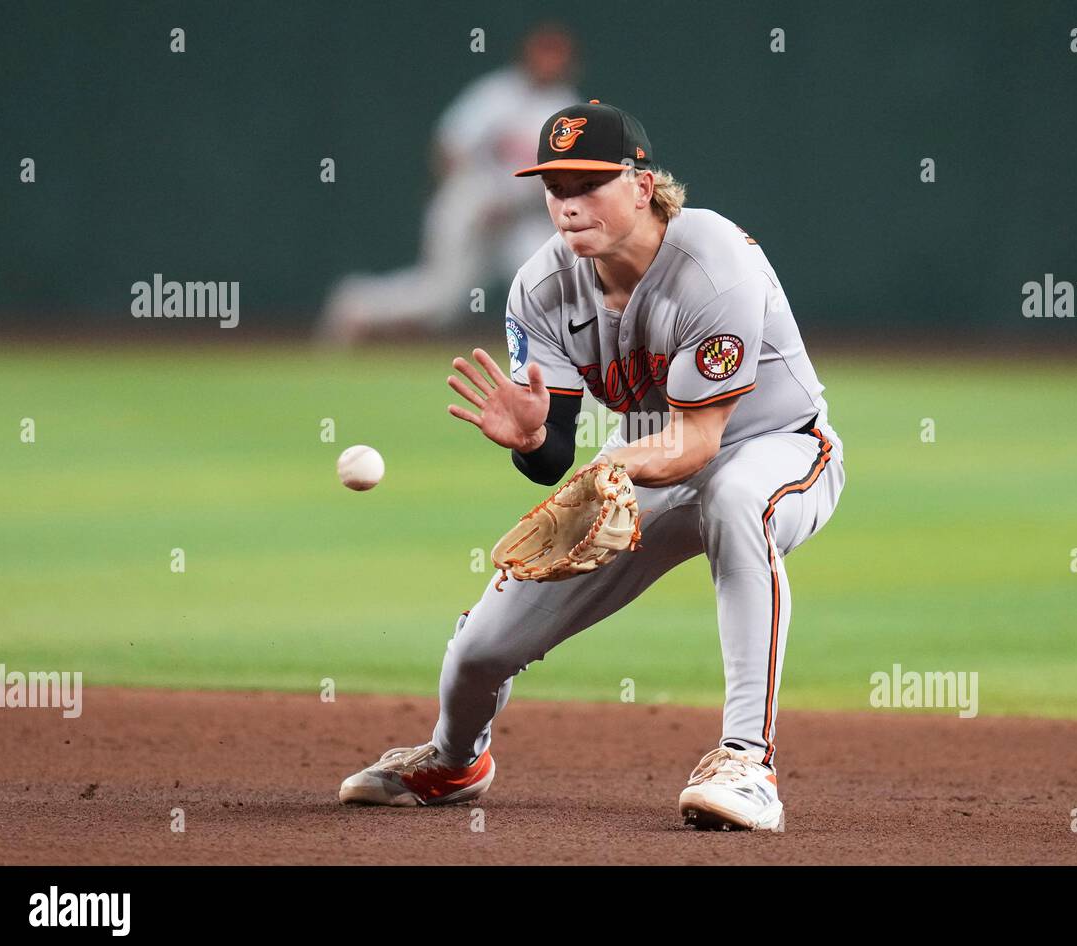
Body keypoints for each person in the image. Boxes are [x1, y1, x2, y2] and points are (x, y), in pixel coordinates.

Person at [338, 100, 847, 831]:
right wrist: (531, 441)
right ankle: (454, 759)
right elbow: (558, 455)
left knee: (737, 498)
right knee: (483, 645)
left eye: (588, 185)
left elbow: (701, 441)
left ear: (641, 185)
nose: (568, 205)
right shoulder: (541, 288)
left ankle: (747, 763)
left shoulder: (714, 261)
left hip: (780, 449)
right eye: (555, 189)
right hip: (642, 456)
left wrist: (609, 471)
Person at [316, 24, 579, 343]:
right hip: (470, 204)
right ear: (527, 55)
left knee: (550, 281)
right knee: (441, 301)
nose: (549, 62)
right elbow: (448, 147)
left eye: (557, 55)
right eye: (544, 53)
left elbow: (566, 177)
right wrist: (474, 196)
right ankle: (355, 305)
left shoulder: (566, 108)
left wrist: (516, 205)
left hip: (520, 217)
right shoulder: (498, 93)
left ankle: (572, 365)